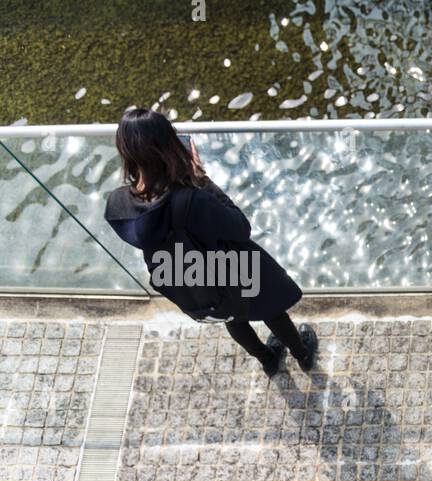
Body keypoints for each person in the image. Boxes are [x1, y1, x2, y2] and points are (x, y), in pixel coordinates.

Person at [103, 107, 318, 376]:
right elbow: (241, 227)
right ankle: (303, 354)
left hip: (196, 282)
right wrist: (202, 181)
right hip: (234, 268)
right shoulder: (193, 199)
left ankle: (267, 359)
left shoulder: (118, 204)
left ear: (127, 152)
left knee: (233, 317)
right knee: (272, 312)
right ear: (169, 147)